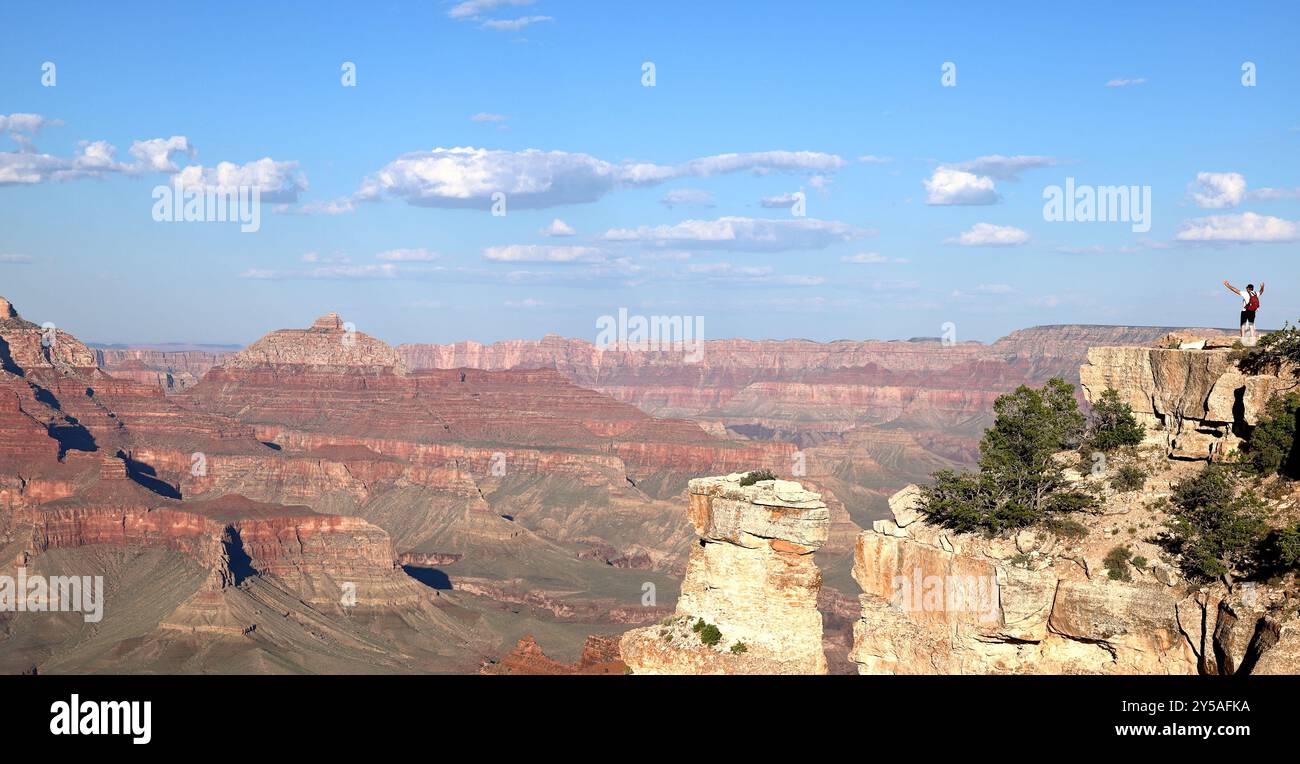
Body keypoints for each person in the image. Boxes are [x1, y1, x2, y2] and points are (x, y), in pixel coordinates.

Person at [1223, 280, 1264, 345]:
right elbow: (1261, 291)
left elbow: (1236, 290)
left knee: (1243, 326)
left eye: (1246, 288)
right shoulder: (1256, 293)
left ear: (1248, 288)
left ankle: (1243, 341)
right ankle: (1253, 341)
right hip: (1253, 311)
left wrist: (1228, 285)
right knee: (1251, 326)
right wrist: (1262, 286)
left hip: (1245, 311)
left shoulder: (1245, 293)